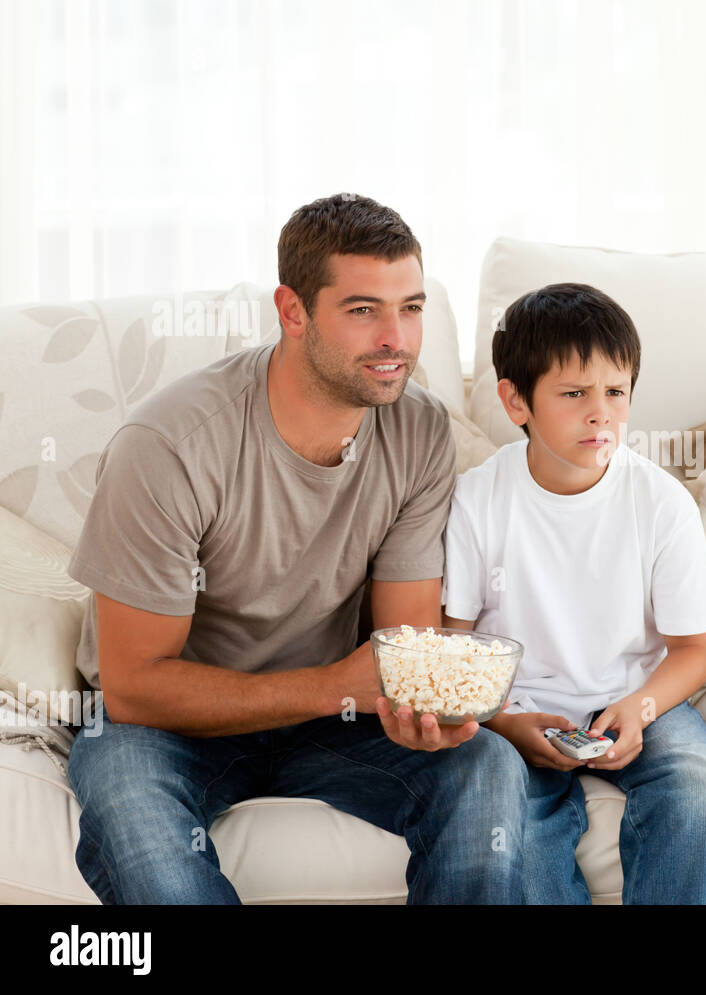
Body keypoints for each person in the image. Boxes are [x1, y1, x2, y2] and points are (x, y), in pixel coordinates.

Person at [64, 193, 527, 905]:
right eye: (364, 309)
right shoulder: (170, 447)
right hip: (170, 725)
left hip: (334, 726)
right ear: (292, 311)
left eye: (411, 307)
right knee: (129, 806)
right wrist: (335, 684)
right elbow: (131, 685)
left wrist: (419, 710)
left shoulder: (420, 431)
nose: (397, 339)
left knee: (486, 768)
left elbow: (396, 645)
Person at [440, 282, 706, 904]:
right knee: (512, 829)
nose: (601, 413)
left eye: (615, 392)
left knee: (699, 785)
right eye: (575, 394)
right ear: (515, 400)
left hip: (637, 701)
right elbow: (453, 648)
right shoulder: (477, 500)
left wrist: (641, 710)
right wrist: (504, 721)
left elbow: (693, 651)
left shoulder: (661, 504)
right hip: (516, 713)